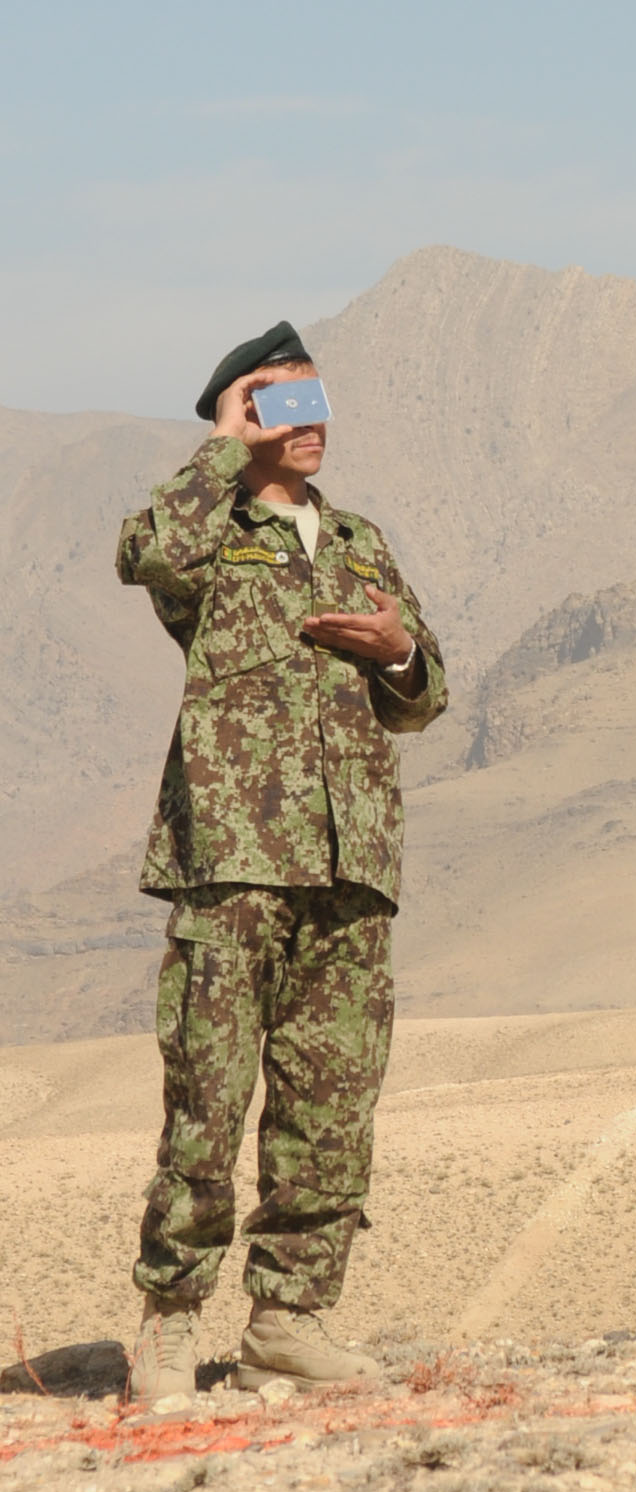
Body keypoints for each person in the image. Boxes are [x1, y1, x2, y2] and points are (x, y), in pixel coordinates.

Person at [116, 321, 448, 1401]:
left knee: (330, 1103)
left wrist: (398, 652)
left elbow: (425, 695)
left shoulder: (356, 539)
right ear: (243, 416)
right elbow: (144, 553)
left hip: (350, 863)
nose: (311, 428)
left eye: (317, 404)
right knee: (206, 1101)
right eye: (282, 406)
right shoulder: (210, 543)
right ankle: (169, 1321)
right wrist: (222, 447)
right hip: (236, 858)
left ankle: (288, 1325)